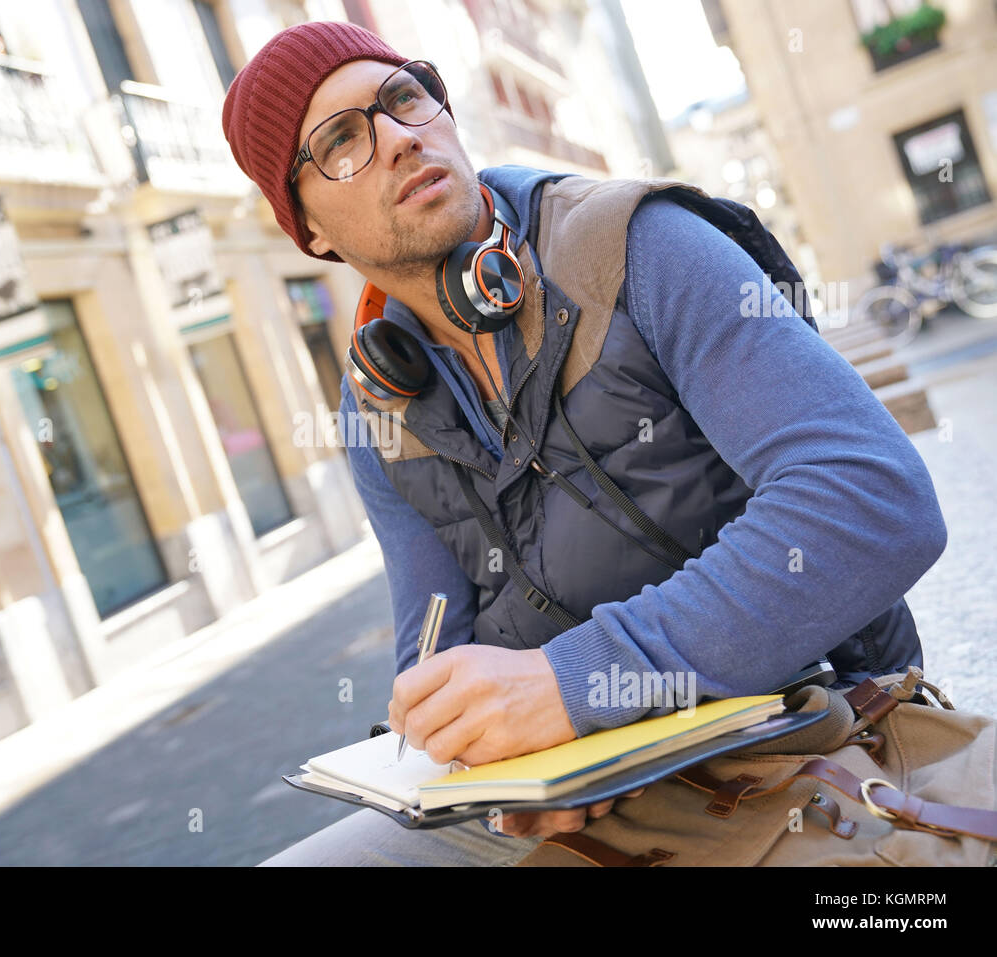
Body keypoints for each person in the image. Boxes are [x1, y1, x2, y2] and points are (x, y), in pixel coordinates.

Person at [220, 21, 948, 866]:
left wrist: (580, 686)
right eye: (341, 140)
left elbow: (874, 499)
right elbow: (437, 651)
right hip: (589, 781)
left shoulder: (637, 245)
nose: (396, 137)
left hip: (798, 728)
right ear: (307, 229)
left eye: (403, 98)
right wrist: (489, 764)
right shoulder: (373, 405)